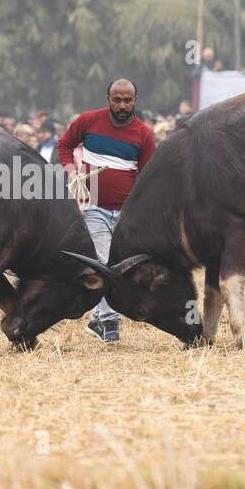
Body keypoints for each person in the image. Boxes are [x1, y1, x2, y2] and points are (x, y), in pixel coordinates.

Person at [55, 78, 157, 342]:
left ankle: (98, 320)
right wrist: (71, 173)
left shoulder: (143, 135)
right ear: (108, 99)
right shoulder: (88, 121)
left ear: (135, 100)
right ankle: (110, 323)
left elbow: (147, 177)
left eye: (127, 100)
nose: (122, 105)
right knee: (103, 263)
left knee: (123, 267)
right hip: (93, 207)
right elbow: (64, 146)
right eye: (117, 99)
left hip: (127, 212)